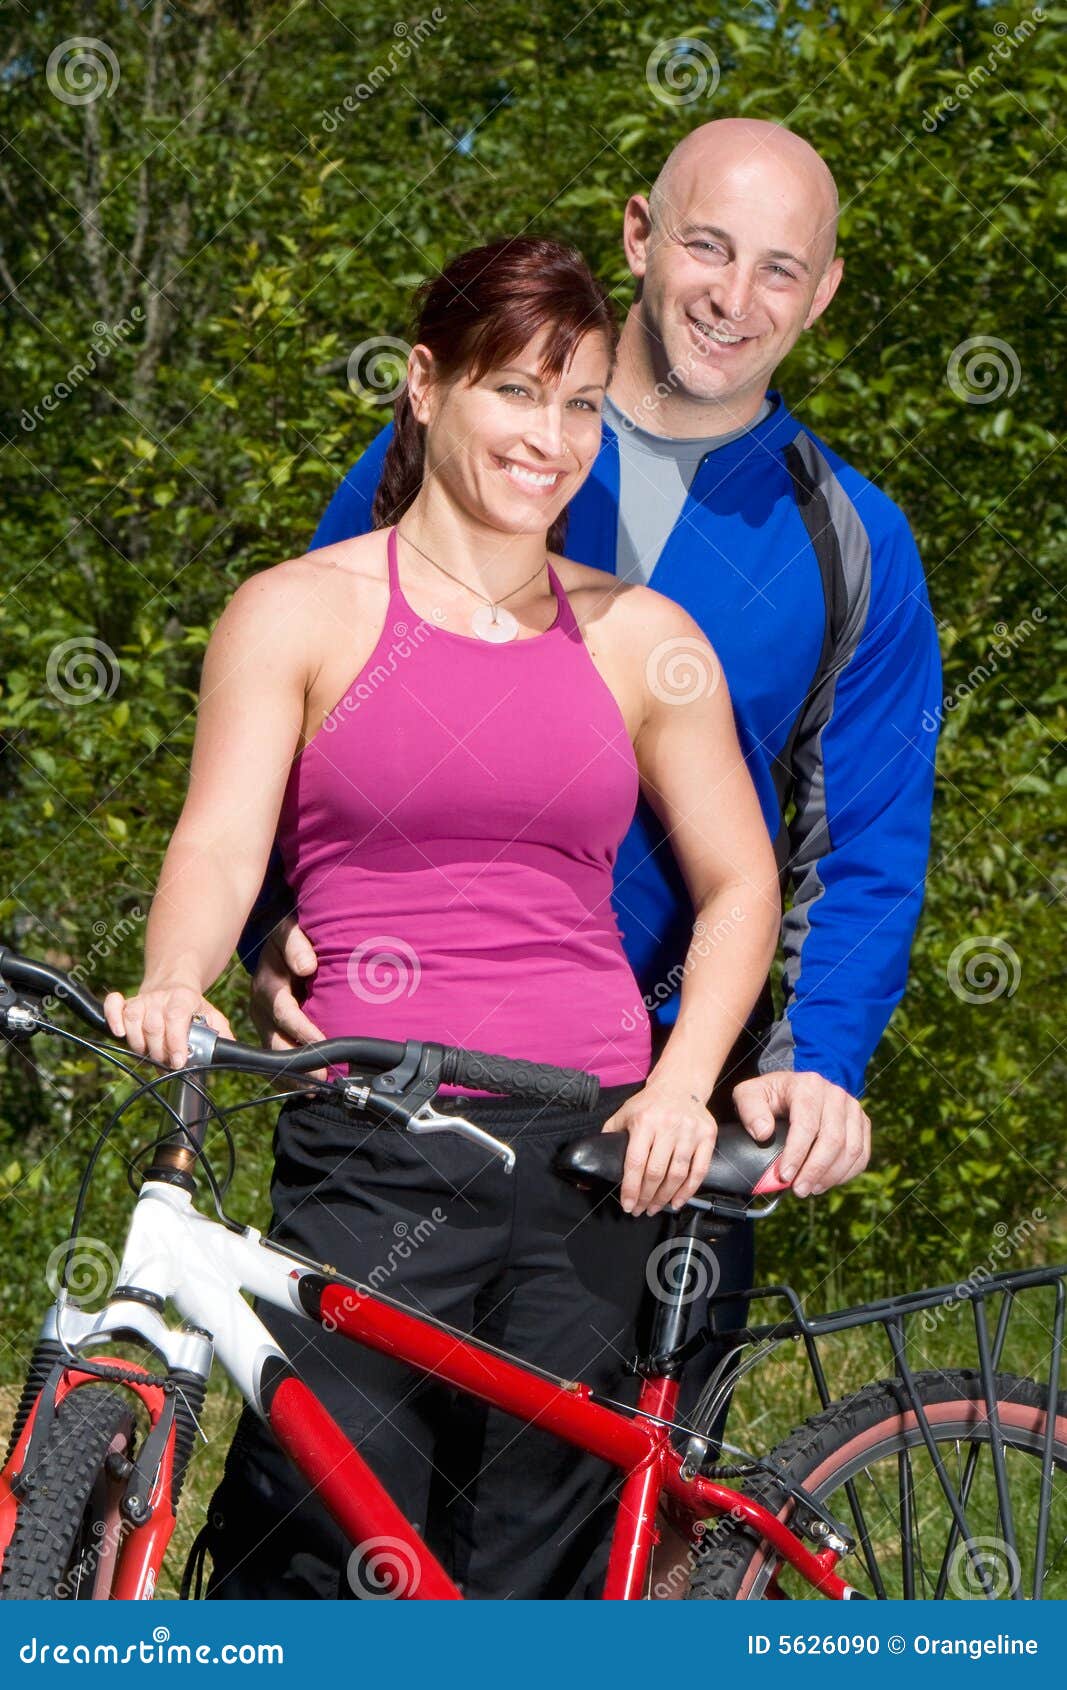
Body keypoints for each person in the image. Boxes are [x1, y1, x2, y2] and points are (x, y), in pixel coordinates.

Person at [241, 117, 943, 1473]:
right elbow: (308, 712)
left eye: (782, 270)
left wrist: (816, 1060)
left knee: (566, 1539)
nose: (737, 300)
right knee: (331, 1517)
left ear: (827, 292)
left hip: (654, 1114)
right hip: (406, 1078)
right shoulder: (481, 443)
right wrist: (277, 919)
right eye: (706, 246)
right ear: (639, 235)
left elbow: (861, 844)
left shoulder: (855, 543)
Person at [102, 234, 782, 1598]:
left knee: (524, 1568)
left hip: (590, 1157)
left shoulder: (645, 636)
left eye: (581, 402)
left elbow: (741, 884)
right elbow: (223, 838)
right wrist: (175, 977)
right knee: (318, 1549)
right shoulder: (295, 612)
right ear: (424, 385)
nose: (552, 437)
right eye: (514, 392)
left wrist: (682, 1087)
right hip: (372, 1138)